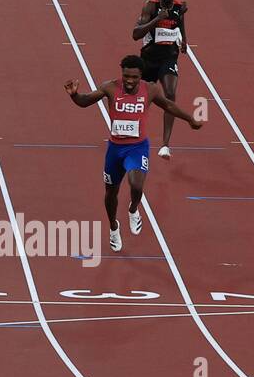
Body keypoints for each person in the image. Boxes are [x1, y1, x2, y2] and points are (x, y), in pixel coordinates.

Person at [64, 55, 203, 251]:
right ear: (122, 74)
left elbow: (169, 105)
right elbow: (85, 101)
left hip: (137, 148)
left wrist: (189, 119)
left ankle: (133, 209)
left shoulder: (150, 90)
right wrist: (74, 95)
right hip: (115, 149)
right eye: (126, 76)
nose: (129, 81)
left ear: (141, 76)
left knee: (136, 184)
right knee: (111, 193)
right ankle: (113, 227)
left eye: (134, 77)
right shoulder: (110, 87)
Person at [131, 0, 188, 158]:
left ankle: (165, 145)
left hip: (168, 57)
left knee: (170, 93)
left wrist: (184, 40)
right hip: (149, 58)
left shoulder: (179, 7)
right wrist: (157, 19)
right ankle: (132, 132)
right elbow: (135, 34)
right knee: (141, 98)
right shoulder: (150, 6)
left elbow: (180, 23)